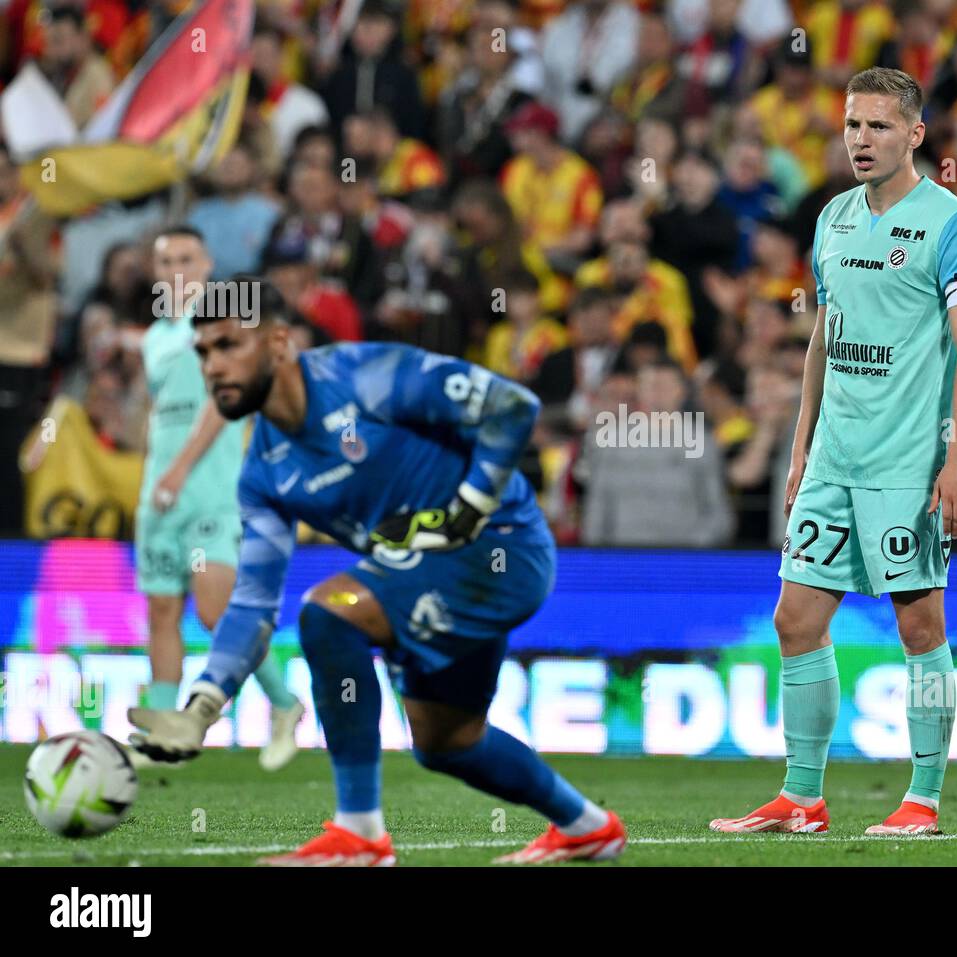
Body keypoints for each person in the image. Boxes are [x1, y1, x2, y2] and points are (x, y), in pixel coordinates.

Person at [127, 280, 626, 866]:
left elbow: (513, 407)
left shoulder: (367, 373)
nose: (214, 366)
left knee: (327, 613)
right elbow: (253, 605)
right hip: (427, 573)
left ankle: (360, 834)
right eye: (203, 353)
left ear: (280, 343)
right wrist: (202, 707)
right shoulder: (263, 473)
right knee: (449, 744)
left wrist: (468, 507)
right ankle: (588, 826)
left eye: (229, 345)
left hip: (501, 548)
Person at [709, 67, 957, 837]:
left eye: (878, 127)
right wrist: (800, 446)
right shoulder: (832, 216)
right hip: (835, 456)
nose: (861, 140)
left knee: (920, 626)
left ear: (915, 134)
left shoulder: (952, 223)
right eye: (853, 125)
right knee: (795, 618)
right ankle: (802, 797)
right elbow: (823, 341)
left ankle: (923, 799)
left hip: (908, 461)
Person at [134, 227, 304, 772]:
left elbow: (222, 404)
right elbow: (164, 411)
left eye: (186, 259)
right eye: (166, 262)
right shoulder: (154, 337)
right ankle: (161, 737)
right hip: (159, 493)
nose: (176, 271)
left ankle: (285, 704)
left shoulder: (225, 327)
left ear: (207, 264)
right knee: (162, 610)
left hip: (210, 490)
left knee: (215, 611)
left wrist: (181, 470)